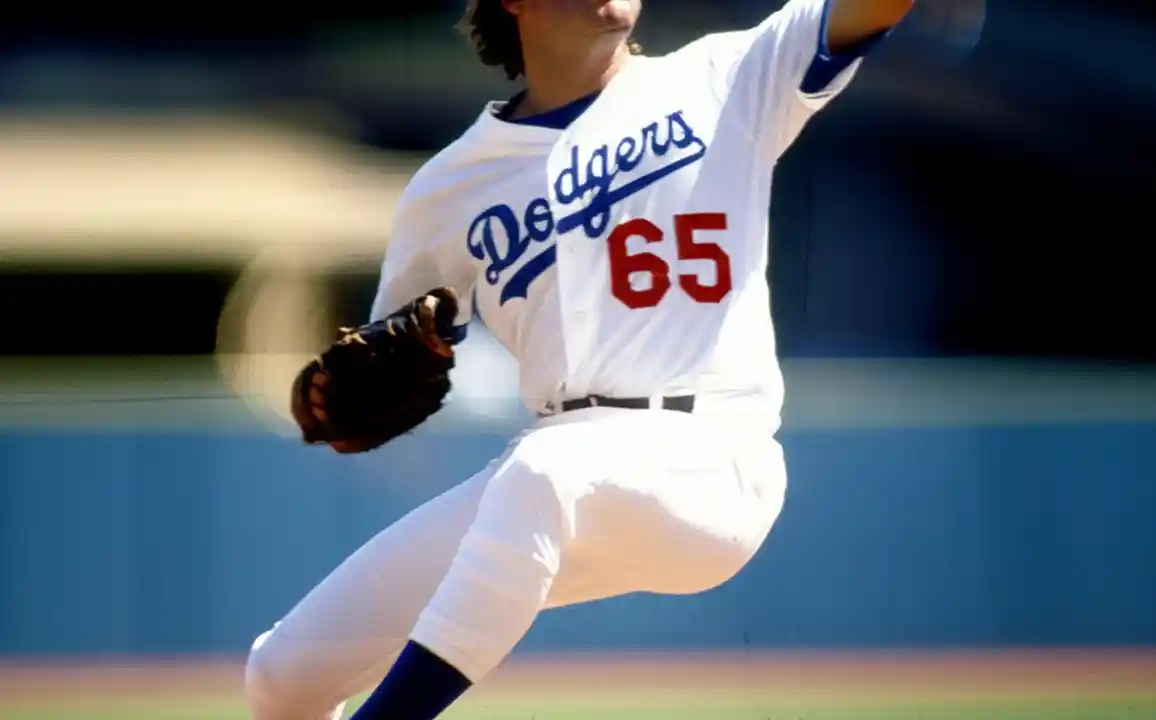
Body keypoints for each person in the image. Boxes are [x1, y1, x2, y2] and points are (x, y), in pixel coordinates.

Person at [244, 0, 915, 718]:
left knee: (544, 474)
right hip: (556, 468)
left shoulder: (728, 74)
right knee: (282, 677)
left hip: (710, 458)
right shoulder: (449, 188)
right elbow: (369, 377)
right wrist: (332, 404)